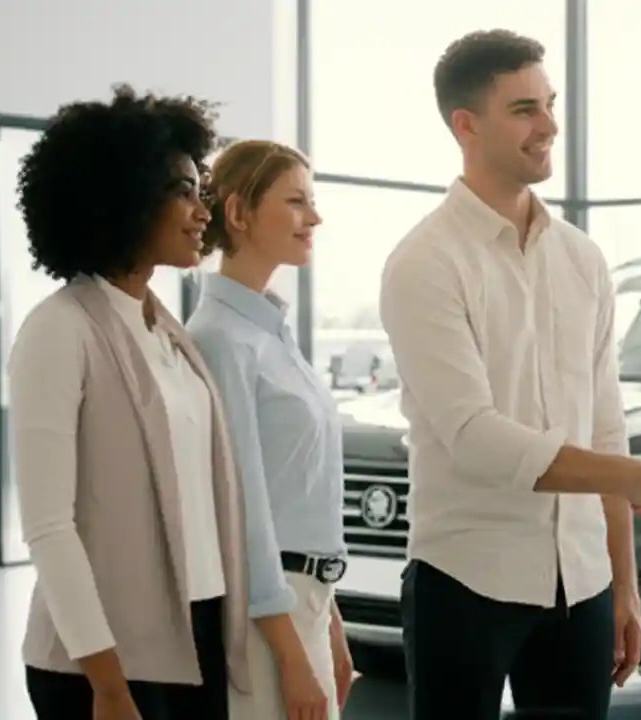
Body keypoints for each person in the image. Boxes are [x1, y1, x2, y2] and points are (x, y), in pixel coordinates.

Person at [379, 29, 641, 719]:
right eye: (525, 109)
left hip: (584, 584)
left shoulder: (583, 259)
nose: (550, 127)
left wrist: (624, 584)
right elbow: (476, 437)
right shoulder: (425, 262)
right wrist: (637, 479)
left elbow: (606, 426)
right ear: (466, 126)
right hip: (464, 579)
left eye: (551, 104)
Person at [9, 85, 250, 720]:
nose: (203, 210)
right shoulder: (59, 329)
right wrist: (107, 683)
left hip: (194, 635)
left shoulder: (168, 333)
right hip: (99, 662)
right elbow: (49, 527)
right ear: (120, 196)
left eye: (200, 189)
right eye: (181, 190)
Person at [186, 139, 355, 719]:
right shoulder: (220, 340)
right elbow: (246, 514)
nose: (315, 217)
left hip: (305, 606)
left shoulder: (270, 332)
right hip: (269, 625)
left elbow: (301, 501)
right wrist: (290, 656)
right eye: (297, 201)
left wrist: (330, 623)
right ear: (238, 213)